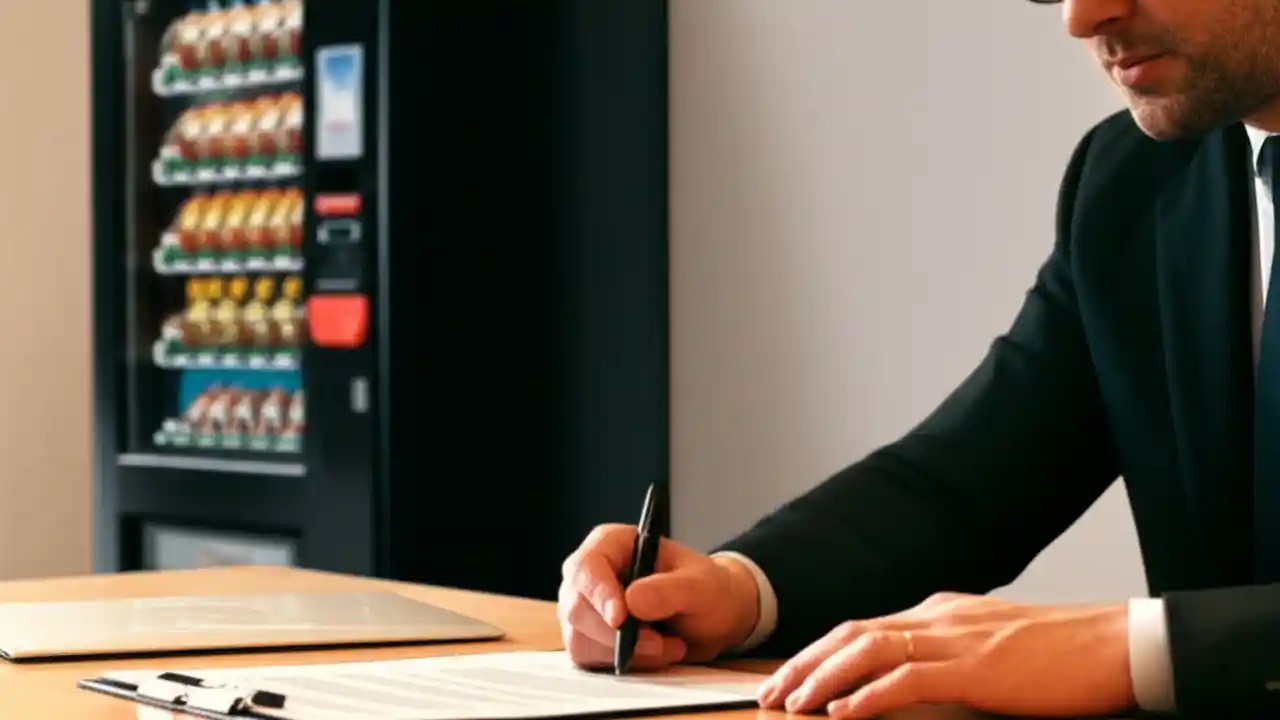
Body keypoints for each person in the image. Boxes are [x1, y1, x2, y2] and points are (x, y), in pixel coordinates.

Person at [557, 0, 1280, 717]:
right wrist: (739, 590)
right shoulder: (1137, 180)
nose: (1081, 16)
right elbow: (968, 483)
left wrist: (1136, 650)